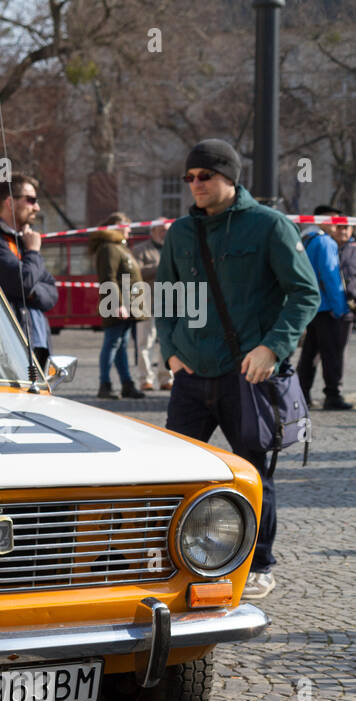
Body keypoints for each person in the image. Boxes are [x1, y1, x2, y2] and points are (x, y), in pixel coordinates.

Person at [155, 139, 320, 601]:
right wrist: (170, 351)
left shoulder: (270, 226)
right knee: (172, 472)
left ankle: (260, 563)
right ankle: (171, 559)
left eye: (204, 176)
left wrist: (273, 347)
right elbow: (165, 296)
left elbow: (305, 294)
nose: (195, 185)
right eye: (190, 178)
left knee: (252, 474)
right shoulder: (180, 232)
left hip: (249, 376)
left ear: (230, 177)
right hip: (191, 376)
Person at [0, 174, 57, 374]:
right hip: (5, 346)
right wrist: (33, 253)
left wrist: (31, 292)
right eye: (31, 200)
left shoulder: (24, 240)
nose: (37, 207)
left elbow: (52, 293)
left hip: (37, 342)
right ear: (10, 202)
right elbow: (24, 281)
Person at [297, 205, 353, 410]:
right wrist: (340, 309)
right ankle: (333, 395)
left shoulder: (306, 239)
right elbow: (331, 276)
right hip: (328, 308)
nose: (337, 224)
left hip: (311, 307)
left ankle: (301, 394)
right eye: (334, 220)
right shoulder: (325, 242)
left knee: (309, 355)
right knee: (332, 354)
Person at [91, 213, 146, 399]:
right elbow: (109, 277)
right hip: (117, 304)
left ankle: (126, 384)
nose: (130, 229)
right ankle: (104, 384)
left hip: (128, 305)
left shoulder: (119, 247)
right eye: (126, 225)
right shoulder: (109, 248)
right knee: (112, 343)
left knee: (121, 345)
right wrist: (117, 303)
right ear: (116, 226)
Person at [130, 220, 174, 389]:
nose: (165, 233)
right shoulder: (140, 250)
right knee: (144, 343)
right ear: (153, 230)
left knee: (166, 341)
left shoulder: (172, 248)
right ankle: (145, 379)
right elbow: (136, 273)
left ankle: (166, 378)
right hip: (145, 302)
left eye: (167, 230)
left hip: (168, 301)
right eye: (162, 230)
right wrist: (160, 267)